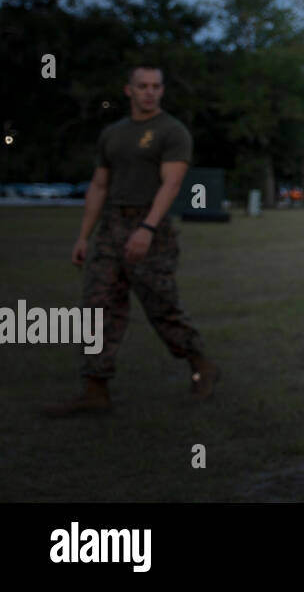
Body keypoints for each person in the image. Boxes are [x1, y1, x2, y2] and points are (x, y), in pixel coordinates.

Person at [45, 64, 219, 416]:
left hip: (150, 226)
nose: (150, 92)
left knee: (162, 306)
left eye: (156, 86)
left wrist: (148, 228)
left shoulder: (172, 131)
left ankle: (202, 365)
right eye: (143, 86)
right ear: (129, 90)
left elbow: (171, 184)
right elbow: (99, 185)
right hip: (111, 227)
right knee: (97, 307)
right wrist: (83, 236)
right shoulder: (113, 134)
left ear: (162, 90)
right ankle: (95, 388)